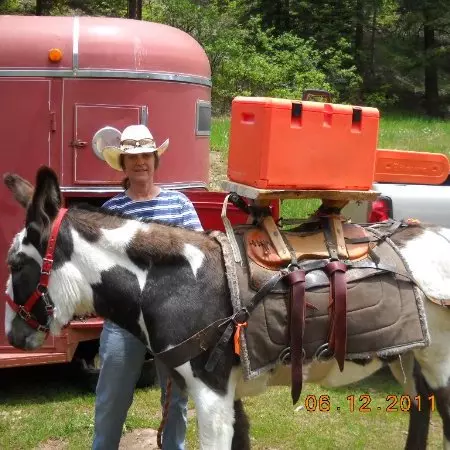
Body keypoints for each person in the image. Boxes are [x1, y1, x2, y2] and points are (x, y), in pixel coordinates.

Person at [93, 124, 203, 450]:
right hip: (125, 321)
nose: (140, 162)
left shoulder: (179, 204)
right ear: (123, 165)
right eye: (133, 157)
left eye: (146, 155)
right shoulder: (112, 211)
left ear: (155, 160)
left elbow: (199, 254)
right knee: (111, 398)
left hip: (171, 321)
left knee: (176, 401)